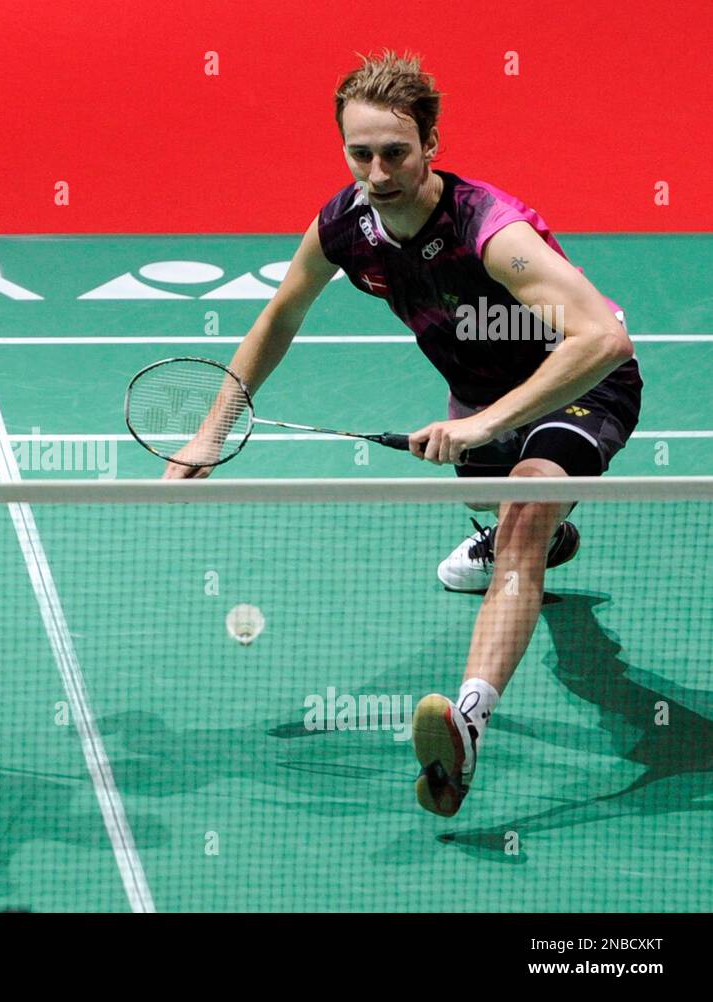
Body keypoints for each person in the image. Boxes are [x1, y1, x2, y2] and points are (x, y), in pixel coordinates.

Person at [163, 52, 642, 817]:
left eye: (396, 152)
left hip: (577, 387)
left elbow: (602, 343)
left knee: (522, 516)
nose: (379, 171)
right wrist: (209, 434)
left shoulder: (490, 230)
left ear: (432, 145)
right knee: (510, 514)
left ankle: (468, 727)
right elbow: (281, 314)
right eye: (361, 153)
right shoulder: (346, 226)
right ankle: (540, 539)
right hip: (479, 397)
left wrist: (488, 423)